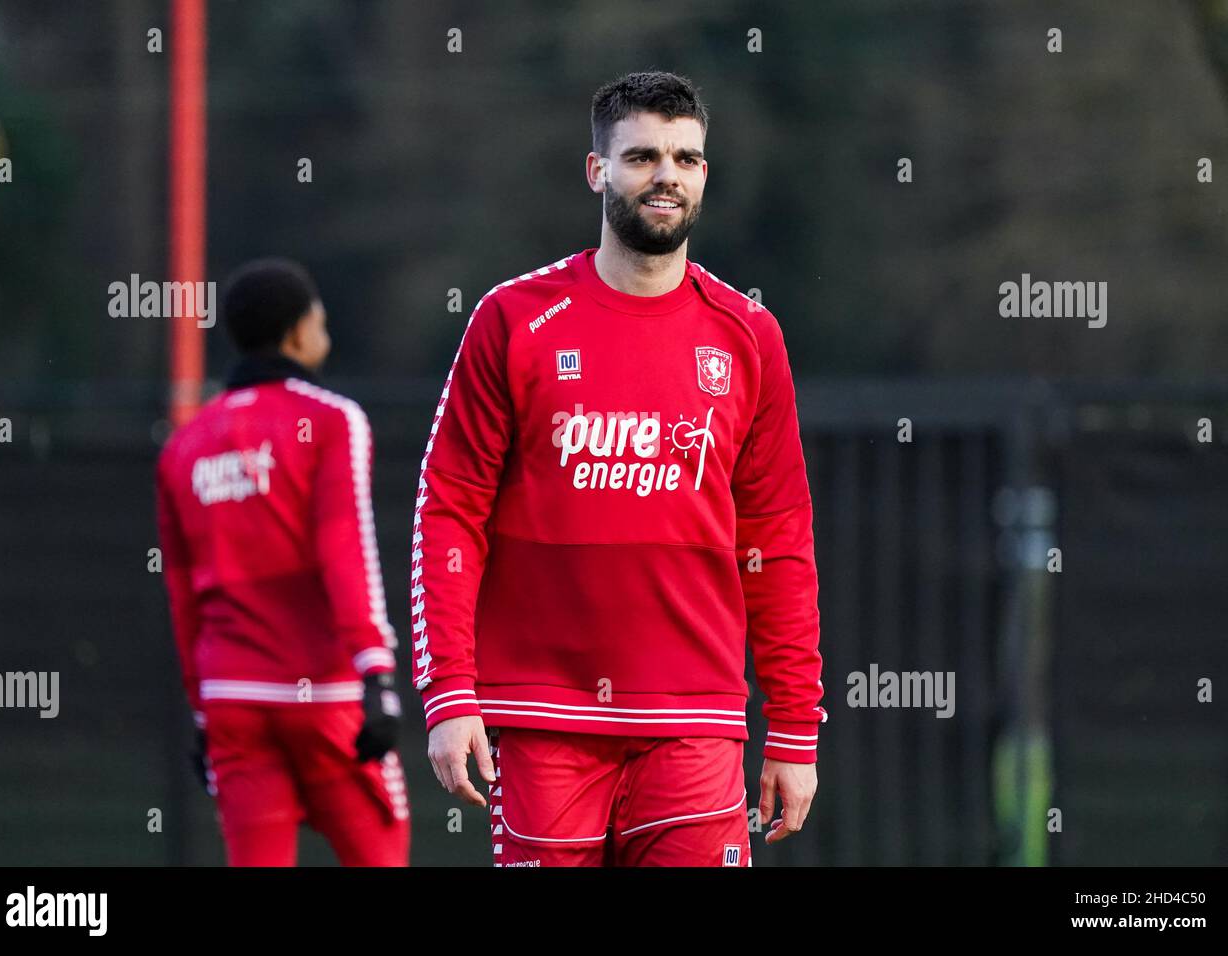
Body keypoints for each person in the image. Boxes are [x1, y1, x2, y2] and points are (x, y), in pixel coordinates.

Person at [412, 71, 825, 867]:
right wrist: (449, 692)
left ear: (704, 173)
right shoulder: (513, 319)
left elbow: (778, 540)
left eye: (686, 158)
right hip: (541, 718)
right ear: (597, 171)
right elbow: (448, 510)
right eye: (641, 157)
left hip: (694, 720)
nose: (665, 175)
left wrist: (796, 727)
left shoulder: (749, 335)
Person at [156, 258, 409, 866]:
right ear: (298, 334)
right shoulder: (331, 420)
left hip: (230, 698)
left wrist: (200, 706)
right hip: (322, 695)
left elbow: (183, 595)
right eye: (319, 319)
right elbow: (346, 551)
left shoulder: (183, 446)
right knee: (381, 854)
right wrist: (377, 673)